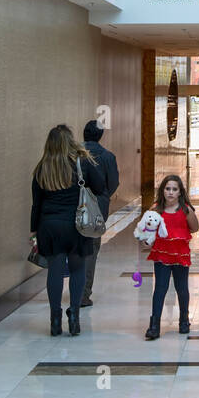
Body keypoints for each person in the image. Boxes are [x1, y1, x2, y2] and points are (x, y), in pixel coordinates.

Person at [31, 124, 107, 337]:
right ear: (70, 142)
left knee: (54, 270)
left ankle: (55, 319)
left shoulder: (42, 168)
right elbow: (101, 187)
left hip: (49, 226)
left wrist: (33, 232)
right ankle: (74, 314)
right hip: (77, 224)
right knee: (77, 268)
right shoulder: (82, 163)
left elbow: (36, 204)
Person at [145, 174, 199, 340]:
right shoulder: (156, 210)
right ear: (162, 191)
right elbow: (147, 230)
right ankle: (154, 324)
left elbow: (195, 228)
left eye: (174, 189)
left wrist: (180, 232)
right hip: (161, 254)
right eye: (167, 189)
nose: (170, 192)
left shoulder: (185, 209)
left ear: (180, 192)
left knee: (181, 288)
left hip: (180, 254)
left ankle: (184, 320)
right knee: (160, 288)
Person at [79, 119, 119, 308]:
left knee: (74, 250)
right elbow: (113, 184)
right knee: (91, 250)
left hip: (74, 208)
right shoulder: (107, 157)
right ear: (100, 136)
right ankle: (84, 293)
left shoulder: (73, 155)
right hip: (97, 211)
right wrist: (101, 198)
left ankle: (74, 289)